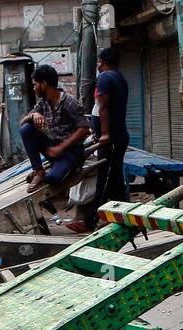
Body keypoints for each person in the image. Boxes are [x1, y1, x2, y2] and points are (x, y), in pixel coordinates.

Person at [69, 45, 130, 233]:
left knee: (104, 180)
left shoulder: (104, 78)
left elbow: (103, 108)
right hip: (118, 136)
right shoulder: (120, 77)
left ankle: (90, 221)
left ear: (102, 62)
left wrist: (104, 134)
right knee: (115, 178)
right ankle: (123, 216)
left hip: (111, 138)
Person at [19, 64, 91, 191]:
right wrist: (33, 115)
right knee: (26, 129)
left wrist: (61, 147)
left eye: (35, 85)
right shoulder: (43, 102)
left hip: (71, 152)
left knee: (53, 179)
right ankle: (39, 172)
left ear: (44, 84)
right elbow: (22, 122)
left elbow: (84, 129)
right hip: (55, 150)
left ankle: (64, 167)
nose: (34, 89)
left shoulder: (69, 102)